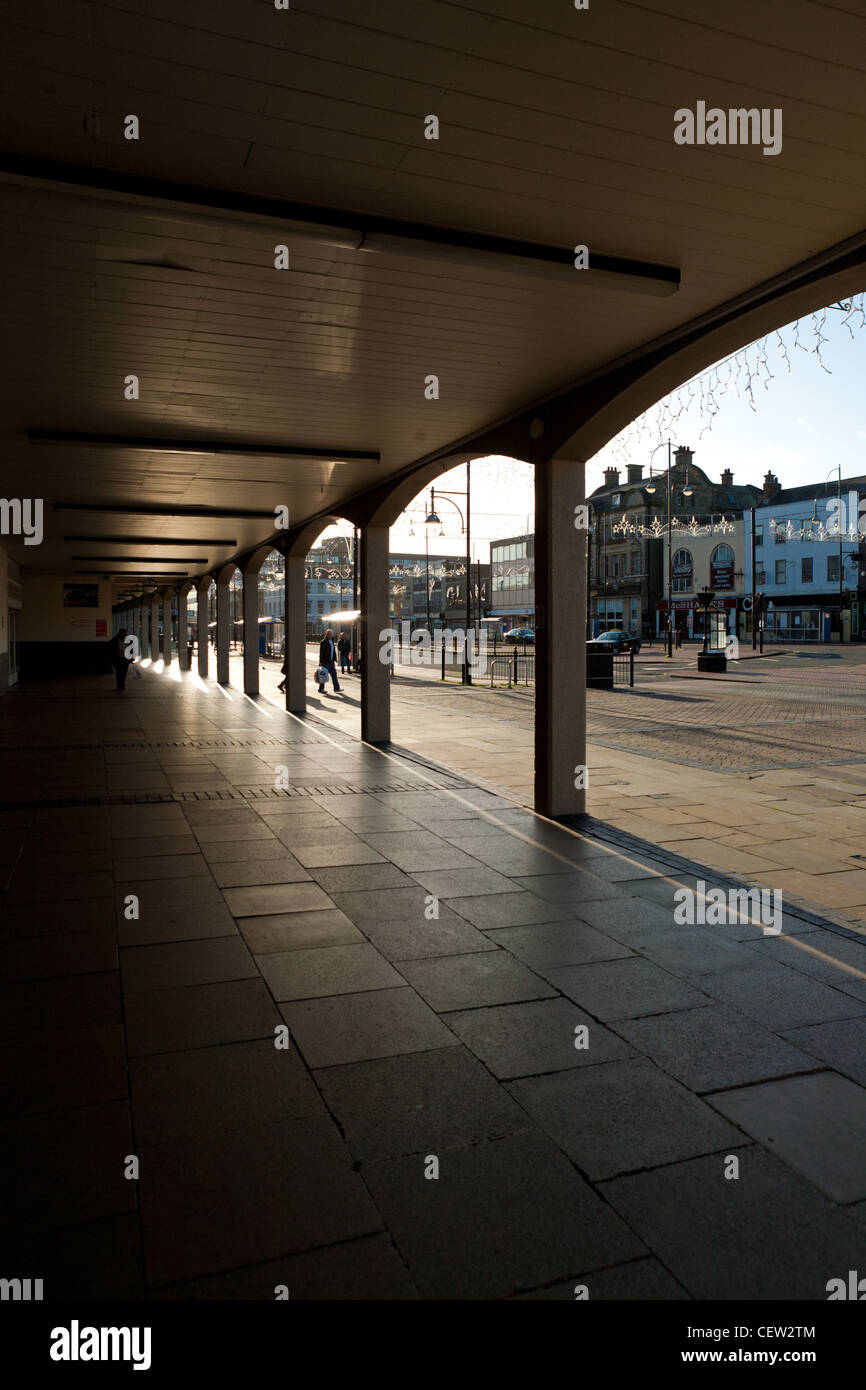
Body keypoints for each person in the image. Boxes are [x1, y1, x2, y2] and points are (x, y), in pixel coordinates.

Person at [317, 628, 341, 693]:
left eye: (331, 634)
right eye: (329, 634)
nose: (330, 635)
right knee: (323, 675)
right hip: (325, 662)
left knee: (334, 675)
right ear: (327, 635)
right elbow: (321, 653)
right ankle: (321, 689)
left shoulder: (332, 641)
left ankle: (336, 688)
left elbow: (333, 651)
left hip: (331, 661)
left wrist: (335, 658)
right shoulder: (323, 642)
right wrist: (320, 662)